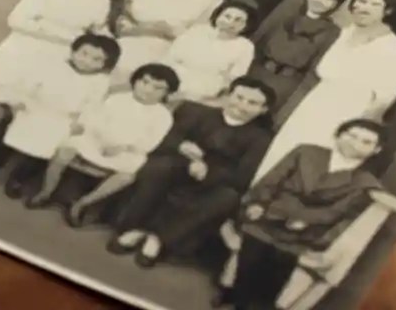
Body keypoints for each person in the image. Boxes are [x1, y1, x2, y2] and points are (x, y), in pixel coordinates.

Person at [107, 77, 276, 268]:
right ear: (229, 95)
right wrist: (181, 146)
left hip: (213, 183)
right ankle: (135, 228)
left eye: (252, 103)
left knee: (228, 197)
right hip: (178, 166)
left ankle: (158, 238)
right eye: (239, 97)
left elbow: (243, 176)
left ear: (263, 110)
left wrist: (208, 170)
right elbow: (164, 139)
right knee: (158, 167)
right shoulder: (195, 111)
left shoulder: (260, 138)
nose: (242, 105)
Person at [225, 119, 387, 310]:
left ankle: (256, 302)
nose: (355, 143)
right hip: (267, 215)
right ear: (338, 135)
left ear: (376, 150)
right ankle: (236, 298)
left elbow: (338, 212)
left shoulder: (364, 182)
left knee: (280, 266)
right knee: (251, 253)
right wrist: (260, 203)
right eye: (351, 135)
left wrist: (305, 222)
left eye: (366, 142)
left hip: (305, 233)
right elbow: (272, 179)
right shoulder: (306, 152)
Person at [256, 0, 396, 178]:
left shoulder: (393, 46)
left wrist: (357, 130)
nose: (364, 7)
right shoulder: (342, 33)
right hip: (315, 103)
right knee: (284, 152)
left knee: (315, 165)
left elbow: (387, 95)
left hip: (350, 113)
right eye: (361, 1)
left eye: (374, 4)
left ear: (387, 10)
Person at [0, 34, 119, 197]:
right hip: (36, 106)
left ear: (105, 64)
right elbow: (30, 84)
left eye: (96, 59)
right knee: (11, 128)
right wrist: (22, 100)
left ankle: (19, 178)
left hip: (63, 118)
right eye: (84, 53)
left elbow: (92, 106)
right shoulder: (55, 65)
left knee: (49, 146)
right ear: (74, 51)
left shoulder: (100, 82)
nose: (86, 61)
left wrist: (80, 122)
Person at [28, 64, 179, 226]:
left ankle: (82, 204)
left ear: (167, 93)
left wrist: (121, 147)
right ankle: (46, 192)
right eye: (145, 82)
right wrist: (100, 139)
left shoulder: (162, 116)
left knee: (127, 175)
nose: (148, 90)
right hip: (97, 140)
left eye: (158, 88)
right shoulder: (117, 99)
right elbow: (96, 121)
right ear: (136, 81)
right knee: (66, 148)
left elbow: (149, 143)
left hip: (126, 151)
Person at [247, 0, 348, 120]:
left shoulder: (333, 32)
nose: (322, 1)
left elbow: (314, 70)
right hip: (256, 73)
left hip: (285, 87)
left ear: (335, 5)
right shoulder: (286, 12)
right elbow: (259, 38)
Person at [160, 0, 257, 104]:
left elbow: (234, 78)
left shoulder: (245, 47)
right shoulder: (198, 30)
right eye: (227, 16)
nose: (230, 23)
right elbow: (172, 55)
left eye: (238, 20)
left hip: (204, 88)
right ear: (218, 16)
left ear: (246, 25)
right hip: (173, 74)